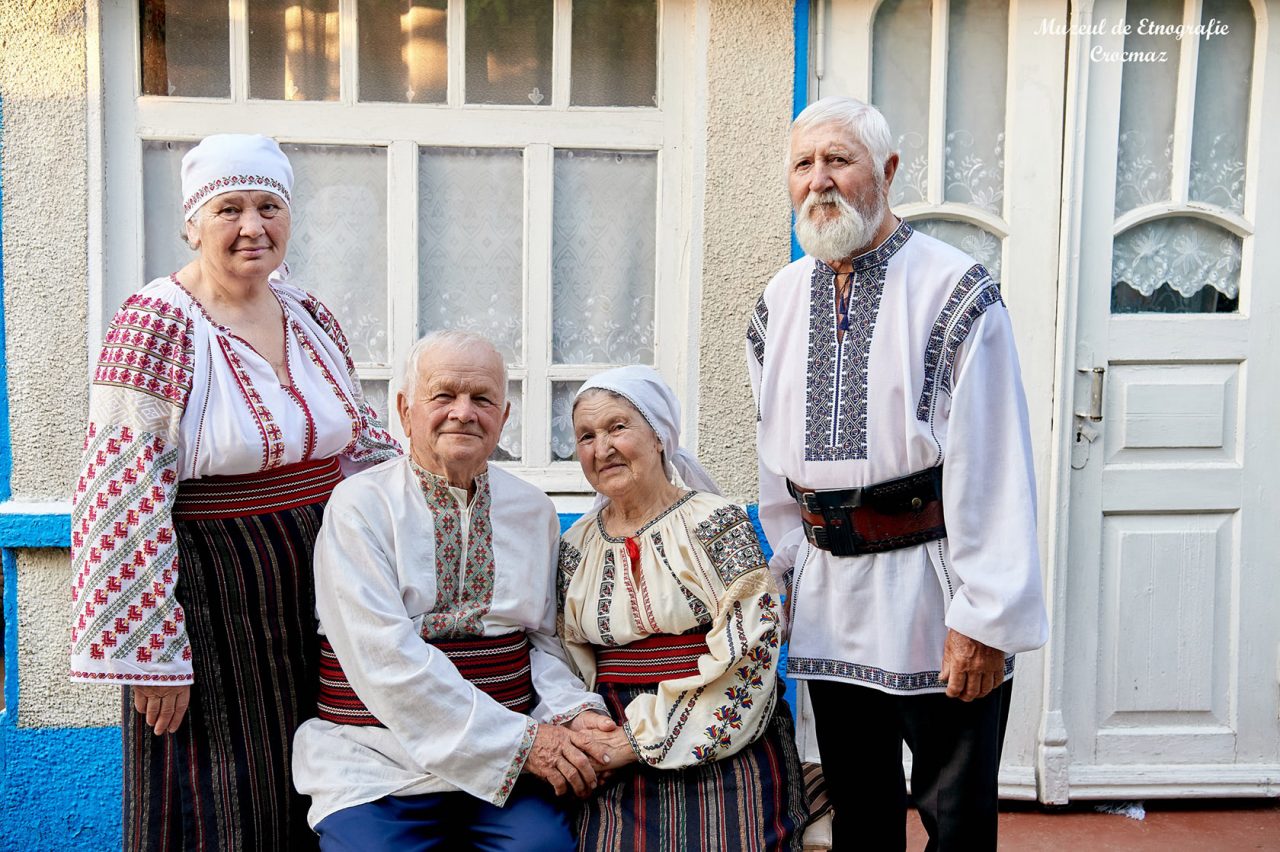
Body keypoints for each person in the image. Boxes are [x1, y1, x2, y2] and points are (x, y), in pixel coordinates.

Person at [69, 134, 402, 850]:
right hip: (213, 593)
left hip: (318, 580)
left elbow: (360, 437)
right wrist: (154, 650)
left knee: (314, 777)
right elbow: (119, 494)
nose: (253, 226)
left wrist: (420, 515)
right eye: (229, 209)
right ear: (192, 223)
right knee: (222, 791)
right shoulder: (156, 324)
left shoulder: (307, 312)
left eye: (269, 206)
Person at [746, 96, 1048, 850]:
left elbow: (994, 460)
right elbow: (775, 459)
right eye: (803, 164)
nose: (819, 181)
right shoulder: (779, 303)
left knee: (955, 818)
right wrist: (786, 571)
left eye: (838, 160)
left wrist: (984, 617)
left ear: (885, 172)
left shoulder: (955, 287)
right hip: (831, 599)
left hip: (934, 594)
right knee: (860, 812)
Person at [293, 331, 615, 851]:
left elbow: (545, 645)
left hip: (511, 772)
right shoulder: (360, 507)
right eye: (443, 395)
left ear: (504, 418)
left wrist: (572, 713)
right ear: (404, 409)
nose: (464, 413)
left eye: (482, 399)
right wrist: (523, 743)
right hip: (379, 762)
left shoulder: (533, 512)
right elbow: (384, 662)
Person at [559, 365, 809, 851]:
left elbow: (752, 650)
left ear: (658, 437)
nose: (601, 447)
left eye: (617, 427)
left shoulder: (715, 522)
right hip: (608, 731)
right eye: (586, 436)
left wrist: (639, 741)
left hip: (723, 732)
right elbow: (565, 652)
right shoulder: (575, 547)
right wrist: (589, 730)